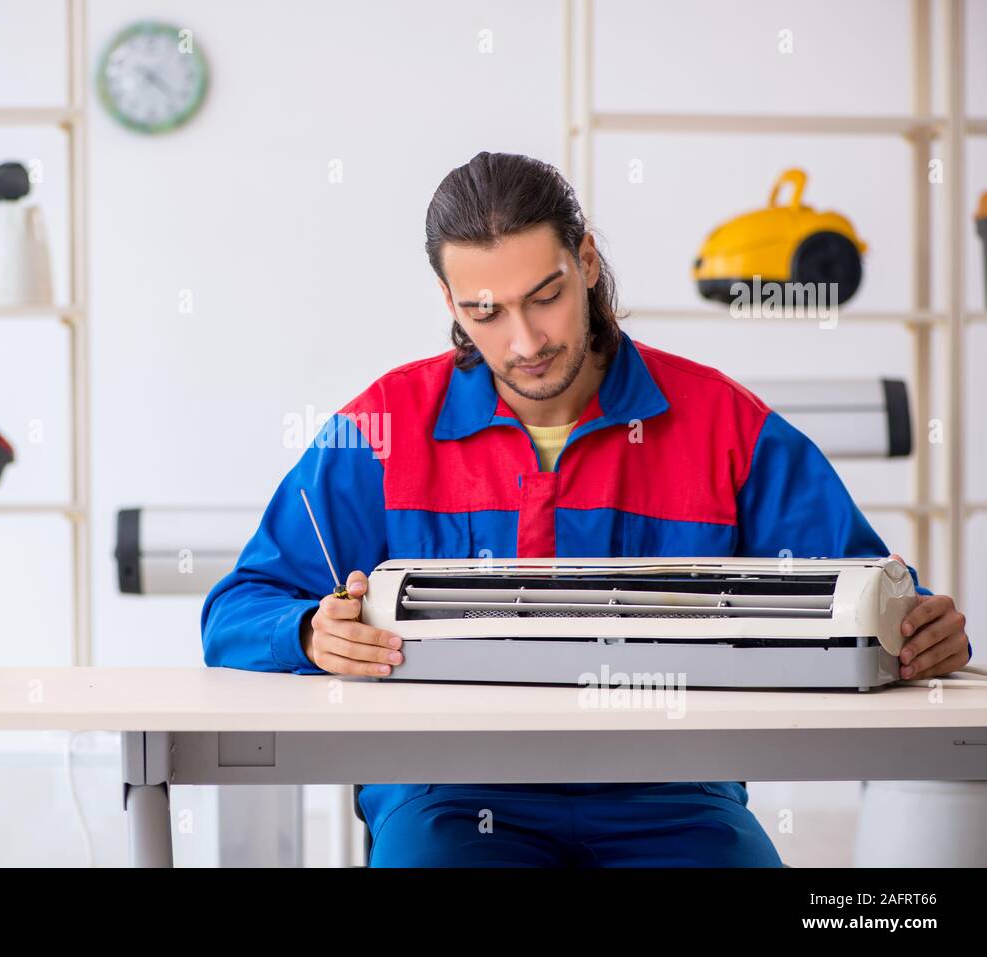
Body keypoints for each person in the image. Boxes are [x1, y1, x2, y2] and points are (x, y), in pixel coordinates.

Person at [200, 151, 971, 867]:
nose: (526, 339)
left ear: (588, 262)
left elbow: (873, 598)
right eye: (486, 310)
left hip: (674, 793)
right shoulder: (382, 428)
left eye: (547, 296)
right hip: (450, 795)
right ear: (449, 301)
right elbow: (238, 606)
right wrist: (308, 630)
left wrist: (924, 631)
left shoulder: (724, 427)